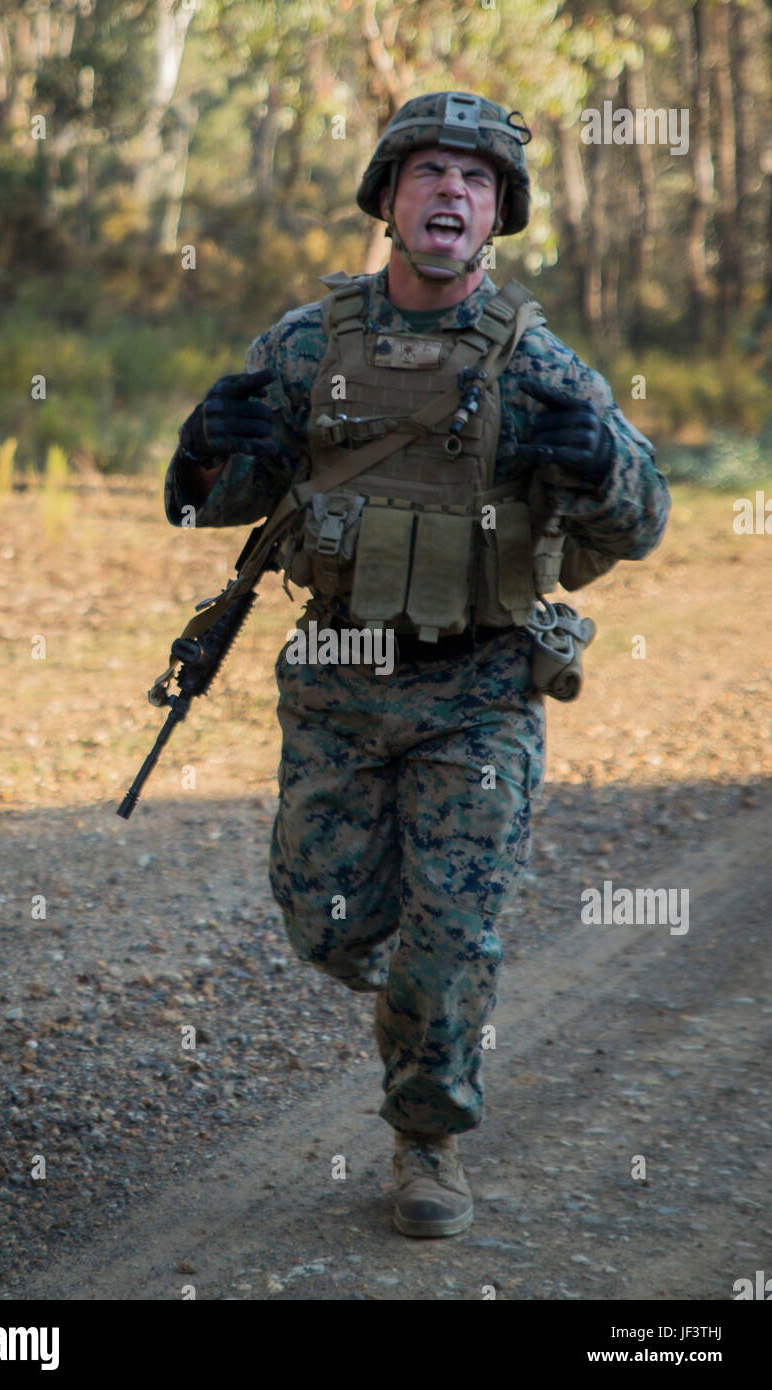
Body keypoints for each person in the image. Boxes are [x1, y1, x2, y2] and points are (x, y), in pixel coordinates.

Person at [164, 92, 671, 1238]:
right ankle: (432, 986)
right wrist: (204, 446)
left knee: (449, 937)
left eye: (478, 179)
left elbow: (637, 521)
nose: (452, 191)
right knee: (329, 924)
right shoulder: (305, 346)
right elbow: (219, 501)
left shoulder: (539, 360)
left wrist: (602, 464)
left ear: (499, 215)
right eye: (430, 171)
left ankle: (427, 1139)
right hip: (338, 683)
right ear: (389, 199)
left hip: (481, 690)